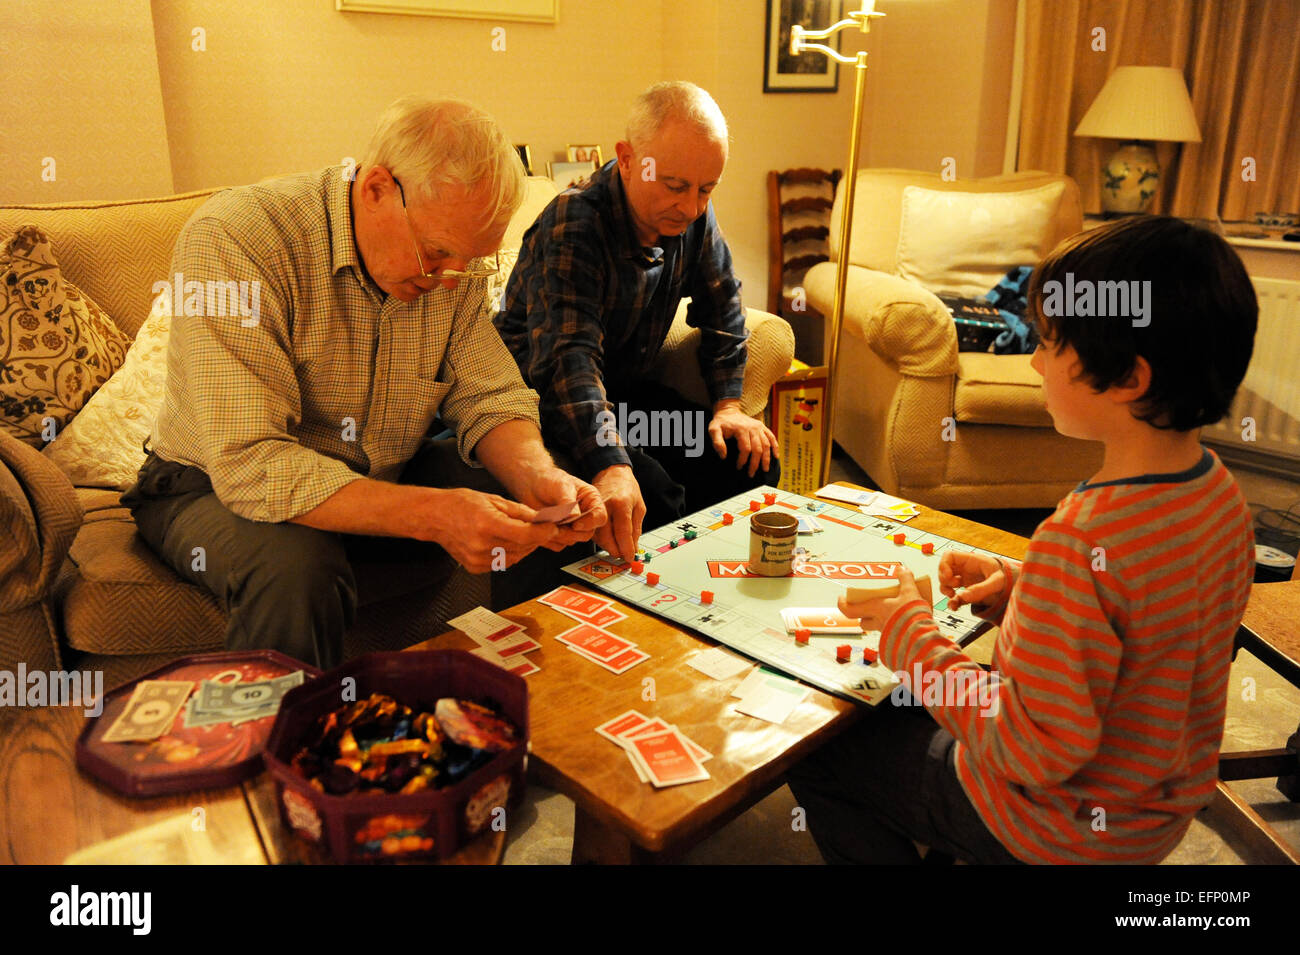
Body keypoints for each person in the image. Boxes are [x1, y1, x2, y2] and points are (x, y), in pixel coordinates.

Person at [787, 215, 1258, 864]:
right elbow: (1146, 628)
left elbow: (1030, 748)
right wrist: (1024, 588)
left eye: (1053, 342)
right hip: (1149, 814)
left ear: (1130, 379)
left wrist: (910, 632)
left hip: (1047, 826)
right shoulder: (1221, 495)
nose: (1034, 358)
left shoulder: (1080, 536)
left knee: (824, 751)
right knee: (888, 709)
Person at [123, 96, 605, 669]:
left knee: (528, 501)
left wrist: (539, 477)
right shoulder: (237, 238)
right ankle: (287, 751)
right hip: (208, 486)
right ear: (375, 188)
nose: (452, 279)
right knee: (296, 568)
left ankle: (533, 708)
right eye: (436, 253)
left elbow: (491, 396)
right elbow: (253, 466)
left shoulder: (449, 271)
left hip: (378, 473)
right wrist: (436, 513)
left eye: (470, 263)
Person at [496, 81, 779, 563]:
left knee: (750, 465)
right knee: (656, 496)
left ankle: (707, 589)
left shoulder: (692, 216)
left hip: (626, 403)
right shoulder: (575, 222)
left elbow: (723, 305)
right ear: (627, 158)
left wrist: (729, 406)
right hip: (543, 403)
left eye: (705, 189)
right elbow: (569, 364)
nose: (690, 207)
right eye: (674, 186)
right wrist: (610, 464)